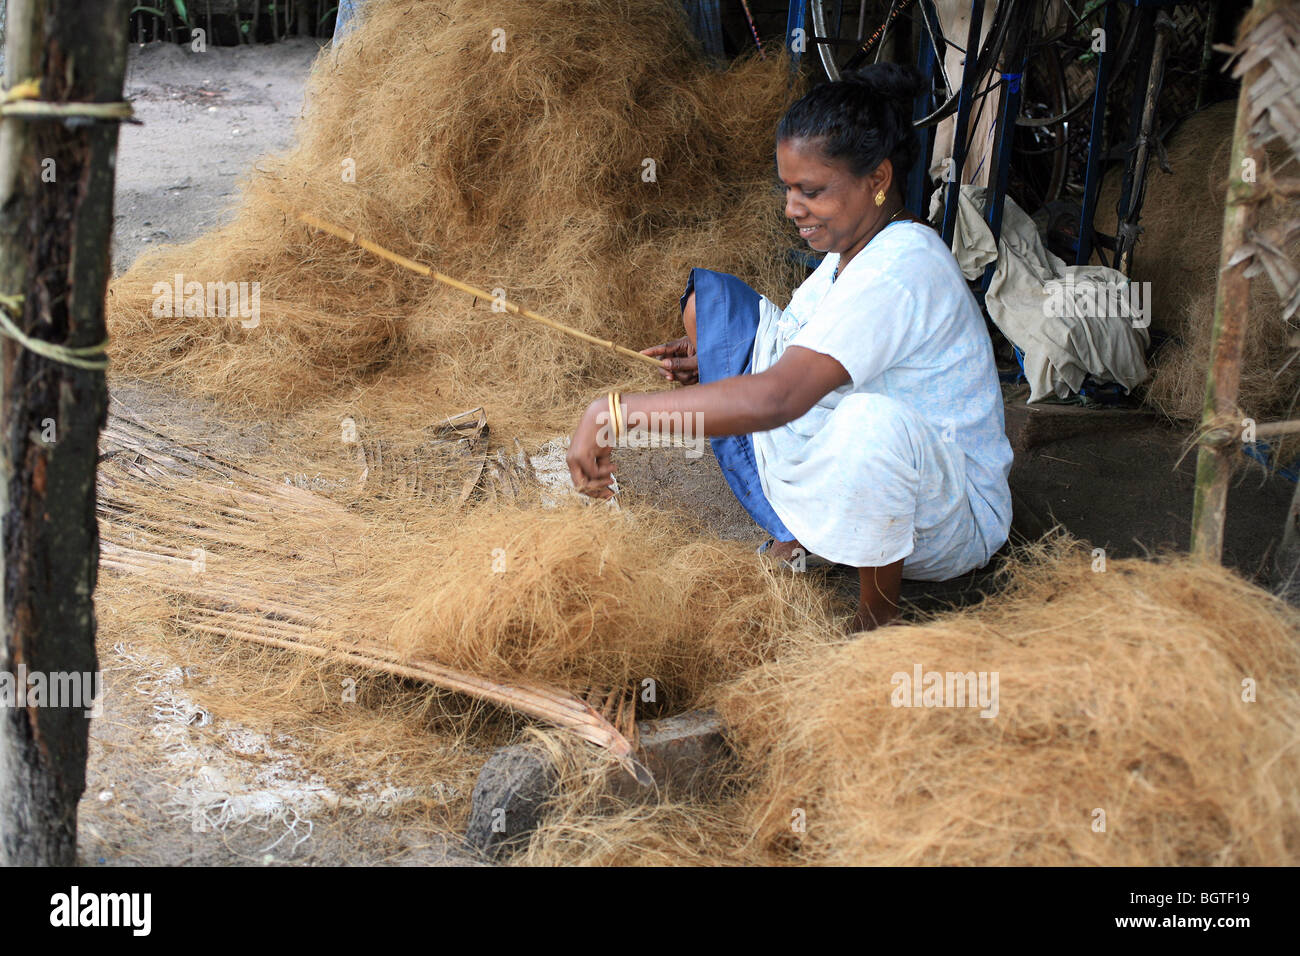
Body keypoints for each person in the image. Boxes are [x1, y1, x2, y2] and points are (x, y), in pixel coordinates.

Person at [566, 63, 1013, 632]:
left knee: (870, 427)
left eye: (812, 191)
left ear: (878, 178)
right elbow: (797, 343)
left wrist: (616, 414)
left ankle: (877, 621)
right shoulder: (848, 253)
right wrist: (716, 359)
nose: (791, 208)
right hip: (883, 464)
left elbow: (779, 396)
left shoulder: (904, 266)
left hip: (949, 520)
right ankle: (807, 528)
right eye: (788, 189)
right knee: (718, 306)